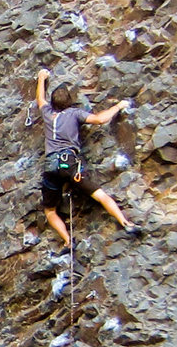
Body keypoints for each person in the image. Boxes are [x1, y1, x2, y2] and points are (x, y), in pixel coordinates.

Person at [36, 68, 138, 246]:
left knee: (50, 211)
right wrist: (119, 106)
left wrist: (41, 78)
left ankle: (68, 240)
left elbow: (40, 99)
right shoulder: (75, 113)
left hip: (51, 167)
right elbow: (99, 119)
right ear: (70, 102)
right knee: (100, 195)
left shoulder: (47, 113)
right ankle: (125, 222)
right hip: (70, 165)